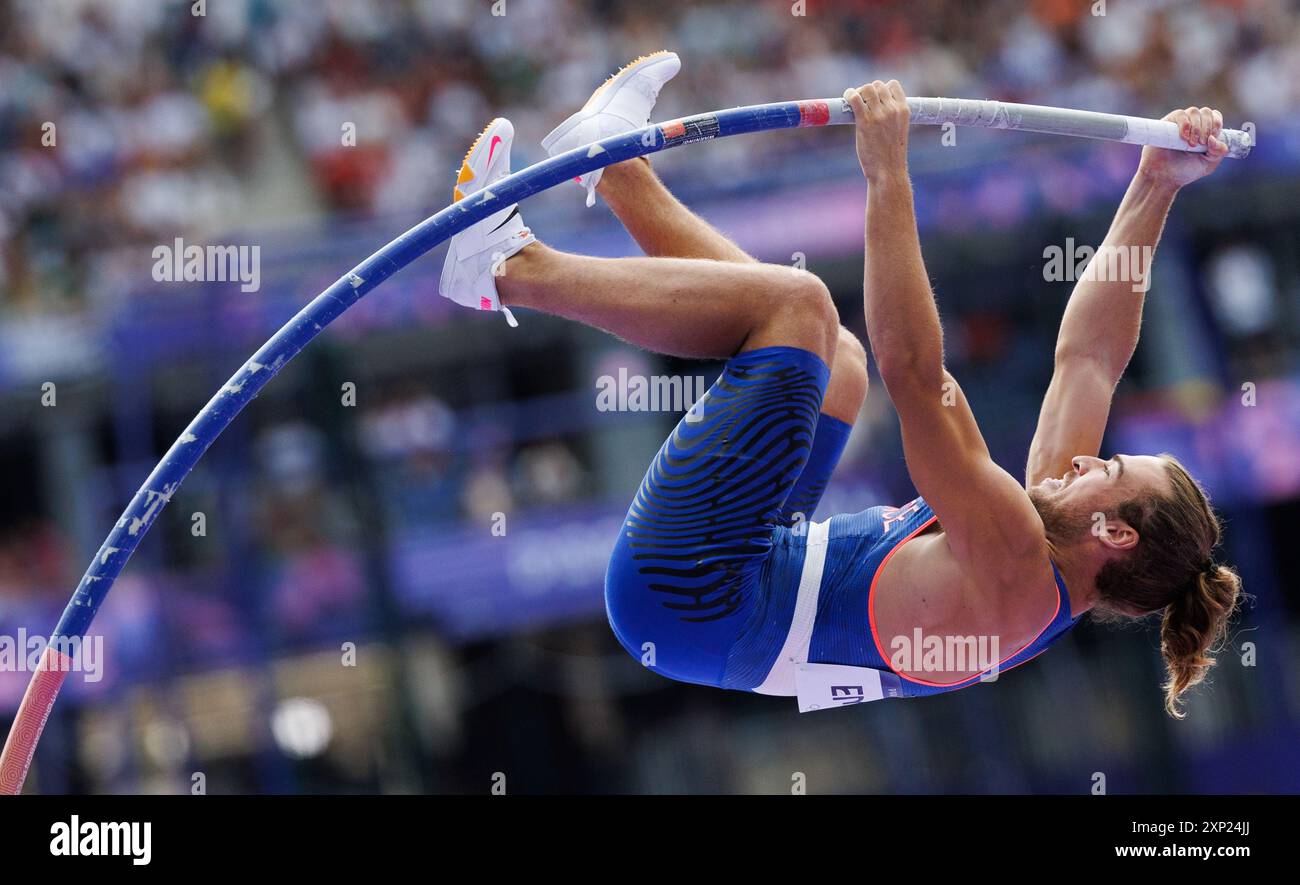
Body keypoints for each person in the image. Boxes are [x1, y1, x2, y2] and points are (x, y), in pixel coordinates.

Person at [437, 52, 1241, 717]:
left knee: (799, 307)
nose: (1088, 461)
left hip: (693, 598)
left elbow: (918, 377)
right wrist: (1155, 185)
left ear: (1118, 534)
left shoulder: (1019, 572)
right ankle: (616, 167)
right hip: (757, 566)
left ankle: (505, 268)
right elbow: (1089, 360)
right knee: (837, 362)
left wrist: (886, 173)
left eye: (1111, 470)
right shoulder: (1050, 535)